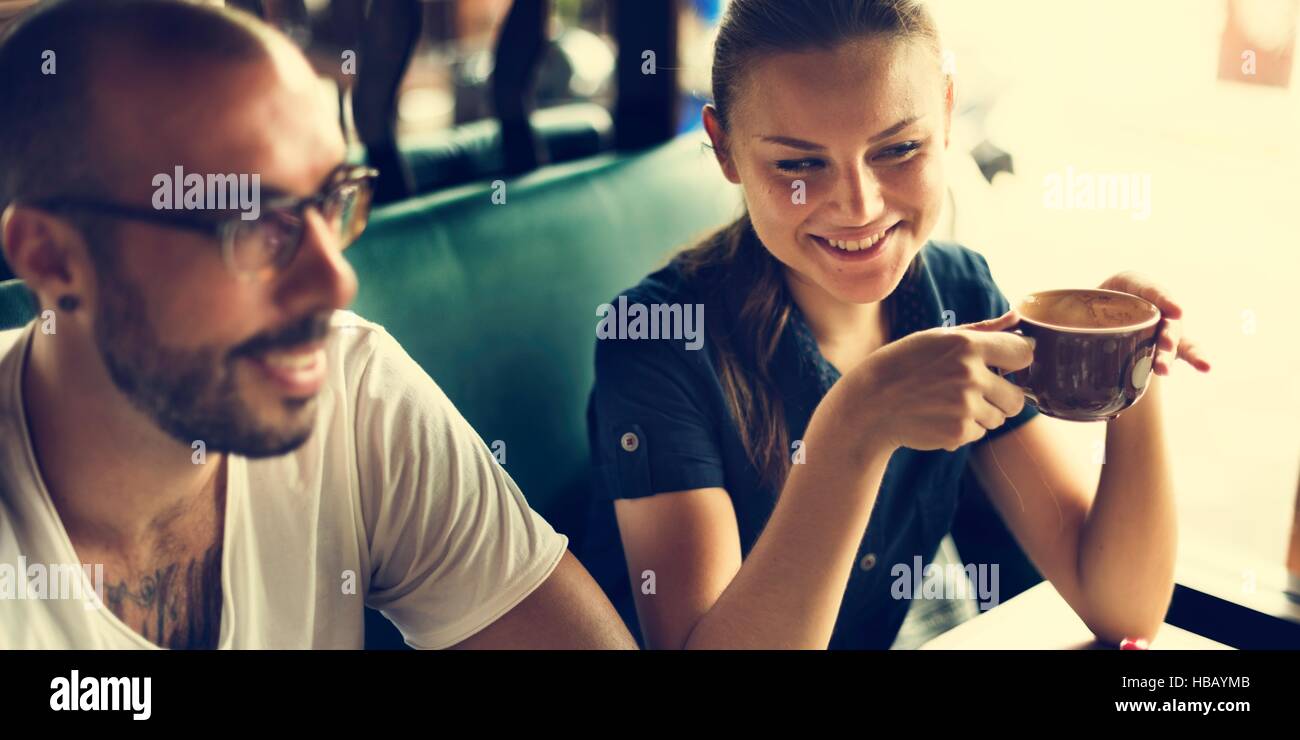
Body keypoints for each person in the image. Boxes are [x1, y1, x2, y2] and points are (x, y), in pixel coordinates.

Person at [0, 0, 635, 650]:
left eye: (332, 200)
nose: (337, 282)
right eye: (251, 222)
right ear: (53, 258)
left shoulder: (350, 387)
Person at [582, 0, 1212, 649]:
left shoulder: (959, 291)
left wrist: (1132, 363)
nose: (859, 205)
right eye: (798, 165)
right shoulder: (656, 341)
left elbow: (1121, 608)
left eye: (899, 148)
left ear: (944, 116)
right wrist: (854, 428)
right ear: (724, 149)